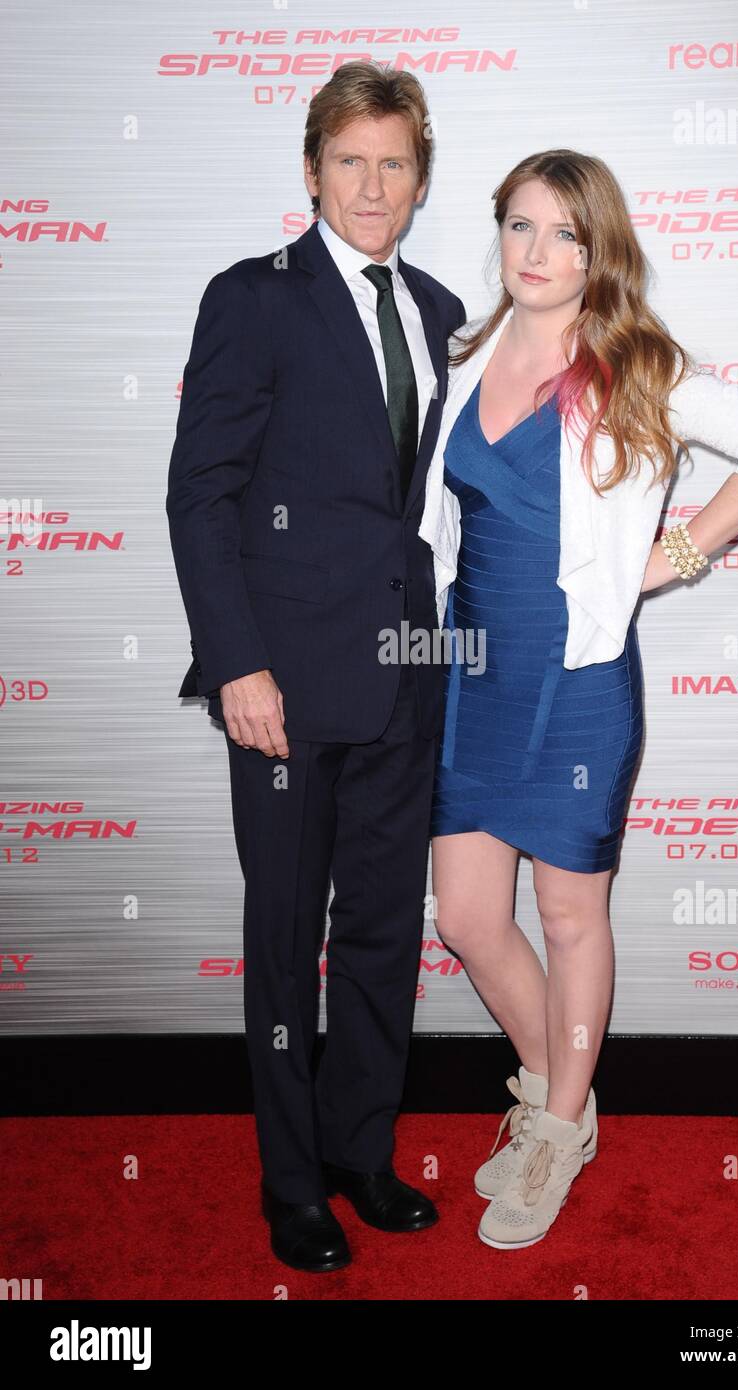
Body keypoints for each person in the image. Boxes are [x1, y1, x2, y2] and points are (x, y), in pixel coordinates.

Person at [418, 149, 738, 1250]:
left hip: (579, 683)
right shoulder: (462, 356)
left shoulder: (633, 362)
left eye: (563, 234)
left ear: (600, 250)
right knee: (462, 916)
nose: (536, 253)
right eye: (518, 227)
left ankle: (551, 1129)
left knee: (566, 913)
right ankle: (561, 1091)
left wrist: (671, 554)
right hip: (470, 674)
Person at [166, 61, 465, 1273]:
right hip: (283, 688)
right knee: (289, 937)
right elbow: (202, 493)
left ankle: (359, 1152)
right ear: (311, 171)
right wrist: (236, 666)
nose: (373, 184)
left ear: (420, 177)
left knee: (386, 929)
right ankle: (291, 1182)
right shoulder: (255, 297)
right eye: (351, 160)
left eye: (394, 161)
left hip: (409, 672)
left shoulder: (449, 310)